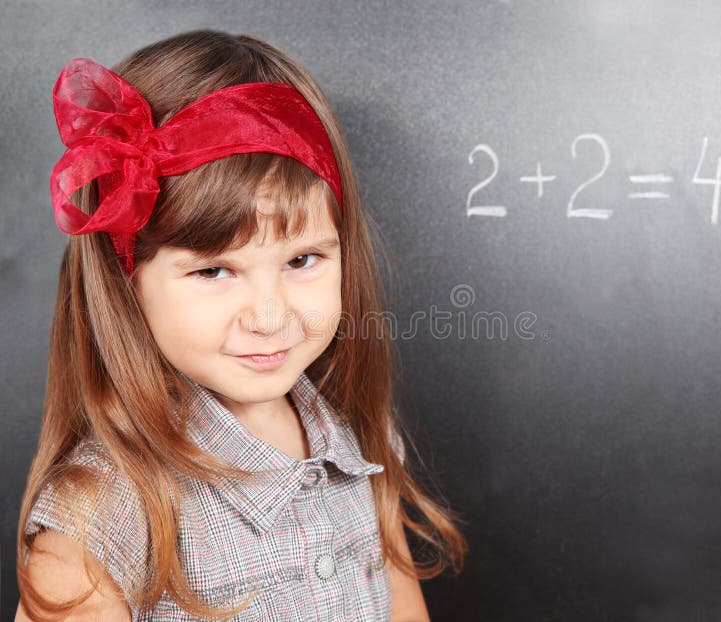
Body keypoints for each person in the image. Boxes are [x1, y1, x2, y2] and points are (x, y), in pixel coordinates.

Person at [15, 29, 467, 621]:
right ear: (127, 284)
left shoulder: (358, 432)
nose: (270, 316)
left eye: (302, 260)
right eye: (213, 271)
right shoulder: (102, 515)